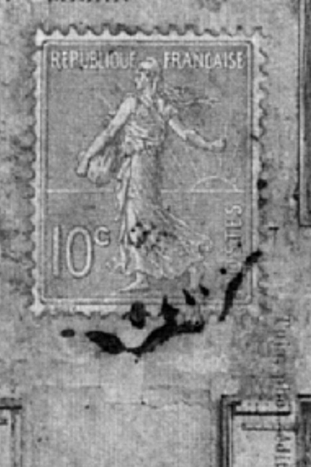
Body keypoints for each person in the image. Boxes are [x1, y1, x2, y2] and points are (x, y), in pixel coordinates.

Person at [75, 55, 228, 293]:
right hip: (137, 166)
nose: (137, 77)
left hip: (142, 168)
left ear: (152, 78)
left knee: (141, 218)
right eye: (138, 72)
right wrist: (88, 156)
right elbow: (111, 132)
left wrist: (209, 146)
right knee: (143, 219)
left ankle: (181, 262)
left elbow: (184, 133)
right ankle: (154, 272)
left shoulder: (149, 105)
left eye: (142, 73)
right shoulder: (143, 104)